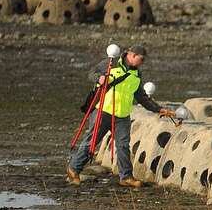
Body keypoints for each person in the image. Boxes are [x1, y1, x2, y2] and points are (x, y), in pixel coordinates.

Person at [66, 44, 175, 188]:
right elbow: (91, 73)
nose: (142, 63)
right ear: (133, 55)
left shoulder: (137, 75)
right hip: (103, 110)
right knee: (91, 141)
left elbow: (141, 97)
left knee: (123, 145)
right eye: (141, 60)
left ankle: (126, 177)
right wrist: (99, 79)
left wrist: (159, 109)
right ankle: (74, 169)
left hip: (122, 116)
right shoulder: (110, 64)